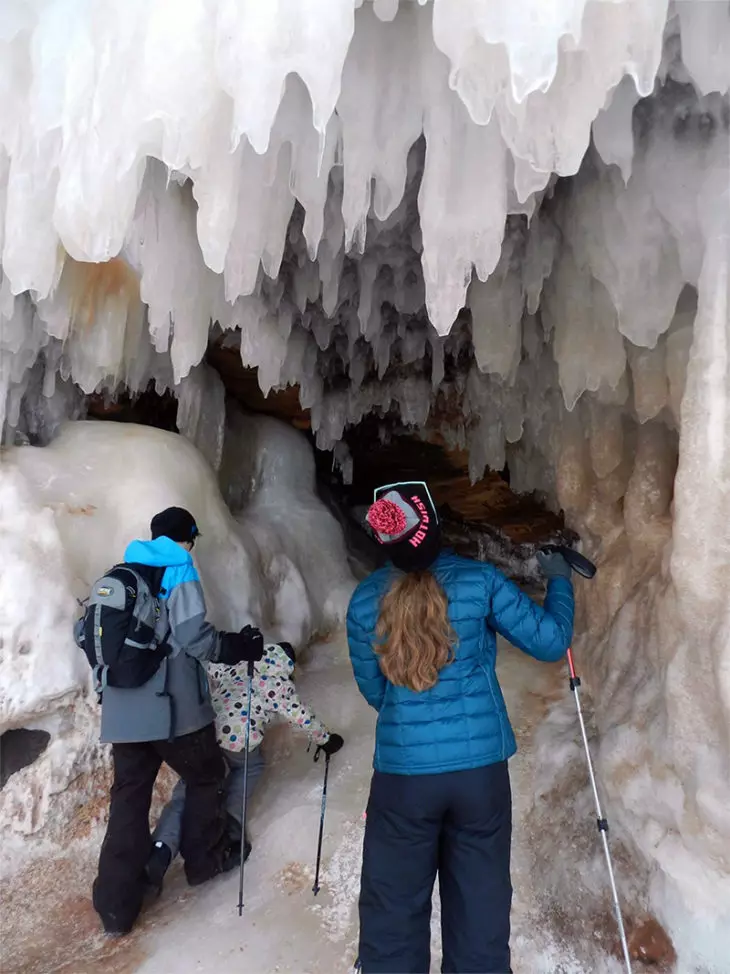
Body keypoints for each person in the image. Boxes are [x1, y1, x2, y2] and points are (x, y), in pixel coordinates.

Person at [347, 482, 575, 974]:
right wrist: (558, 579)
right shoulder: (479, 581)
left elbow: (375, 692)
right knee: (480, 909)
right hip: (479, 779)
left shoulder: (366, 599)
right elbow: (551, 642)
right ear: (432, 525)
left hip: (403, 780)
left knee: (392, 918)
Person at [83, 506, 266, 936]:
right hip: (174, 712)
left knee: (128, 800)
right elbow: (193, 638)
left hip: (123, 715)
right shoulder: (178, 565)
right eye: (193, 539)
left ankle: (115, 904)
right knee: (207, 776)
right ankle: (204, 860)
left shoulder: (122, 573)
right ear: (187, 538)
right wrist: (238, 645)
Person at [146, 640, 344, 891]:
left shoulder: (238, 664)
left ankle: (160, 850)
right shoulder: (278, 681)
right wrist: (326, 740)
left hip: (205, 732)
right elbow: (300, 715)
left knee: (189, 787)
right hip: (237, 742)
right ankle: (230, 826)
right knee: (250, 767)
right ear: (287, 664)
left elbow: (209, 664)